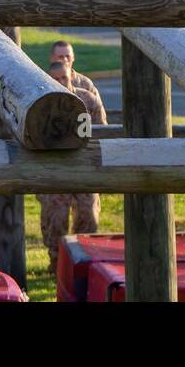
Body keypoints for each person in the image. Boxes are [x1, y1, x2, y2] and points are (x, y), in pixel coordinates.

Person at [37, 60, 107, 266]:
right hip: (53, 170)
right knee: (55, 219)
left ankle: (83, 262)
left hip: (84, 168)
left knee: (88, 215)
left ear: (72, 77)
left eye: (64, 78)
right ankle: (56, 262)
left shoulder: (88, 101)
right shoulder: (40, 103)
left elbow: (102, 132)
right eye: (55, 79)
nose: (60, 82)